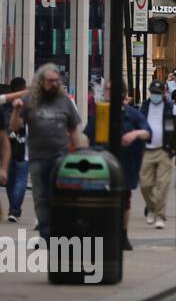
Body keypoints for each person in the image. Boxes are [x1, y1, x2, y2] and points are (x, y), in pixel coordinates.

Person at [83, 81, 151, 250]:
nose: (107, 92)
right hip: (101, 164)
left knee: (124, 200)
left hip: (125, 163)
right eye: (106, 89)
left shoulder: (132, 114)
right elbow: (87, 137)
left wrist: (134, 134)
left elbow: (147, 132)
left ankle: (122, 234)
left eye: (111, 89)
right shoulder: (100, 113)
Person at [17, 65, 79, 240]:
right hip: (37, 158)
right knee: (41, 197)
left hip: (61, 157)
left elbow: (74, 129)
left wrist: (79, 153)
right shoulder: (30, 100)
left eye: (56, 80)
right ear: (41, 82)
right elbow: (15, 126)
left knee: (61, 195)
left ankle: (61, 231)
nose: (53, 84)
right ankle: (46, 233)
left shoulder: (65, 101)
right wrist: (15, 111)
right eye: (49, 81)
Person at [138, 80, 176, 232]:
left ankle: (160, 216)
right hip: (147, 149)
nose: (155, 96)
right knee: (145, 184)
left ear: (163, 93)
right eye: (153, 93)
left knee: (163, 184)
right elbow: (140, 122)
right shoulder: (145, 106)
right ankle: (152, 207)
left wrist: (175, 149)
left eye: (158, 93)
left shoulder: (170, 107)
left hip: (164, 150)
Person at [3, 77, 28, 222]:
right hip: (23, 144)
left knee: (10, 178)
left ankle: (13, 206)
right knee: (21, 177)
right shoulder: (28, 104)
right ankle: (14, 209)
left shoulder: (5, 105)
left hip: (7, 145)